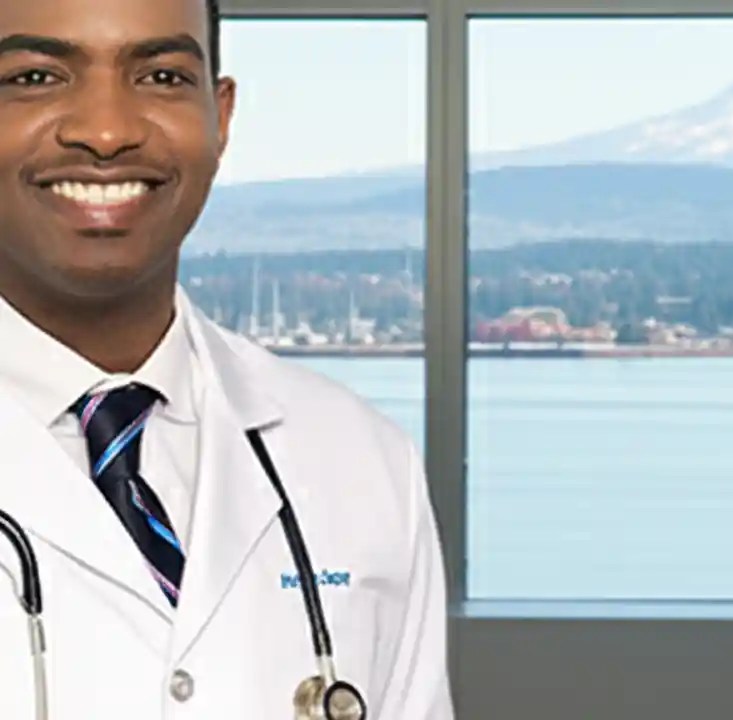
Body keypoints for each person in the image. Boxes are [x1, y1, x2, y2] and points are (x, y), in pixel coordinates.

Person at [0, 0, 453, 717]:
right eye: (35, 77)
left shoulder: (360, 459)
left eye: (161, 76)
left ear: (221, 118)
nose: (106, 131)